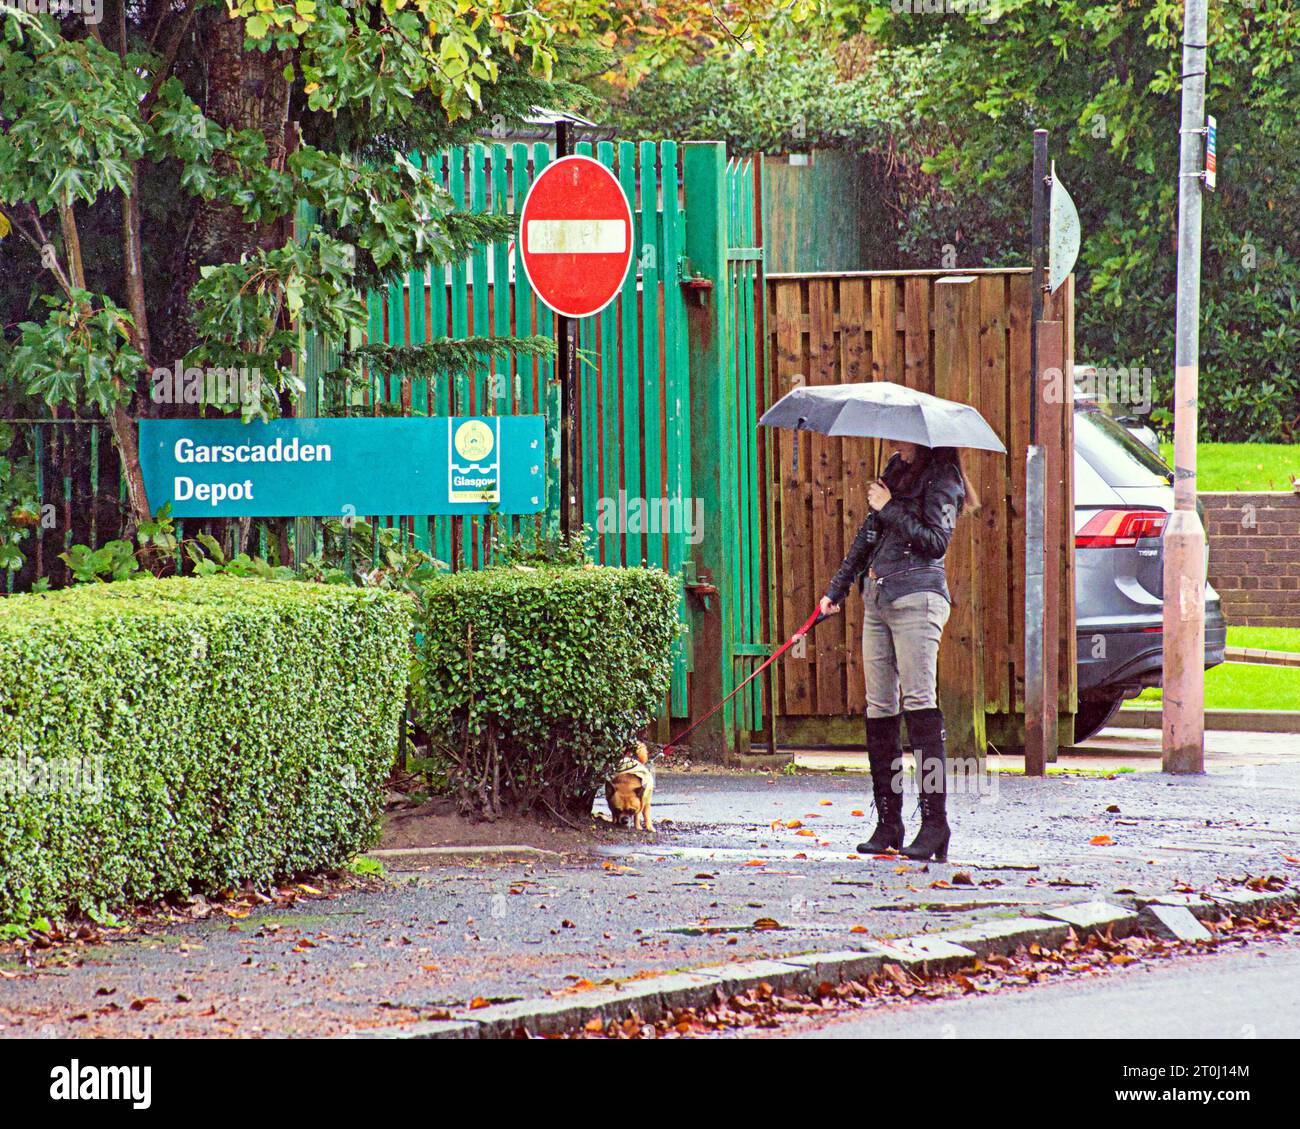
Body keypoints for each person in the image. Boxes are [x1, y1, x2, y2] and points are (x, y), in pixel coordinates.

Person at [818, 441, 977, 862]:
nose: (894, 447)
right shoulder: (894, 469)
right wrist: (837, 589)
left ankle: (935, 825)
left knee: (920, 703)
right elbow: (867, 535)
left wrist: (889, 506)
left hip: (918, 599)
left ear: (924, 441)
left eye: (901, 441)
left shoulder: (944, 478)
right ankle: (889, 823)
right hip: (878, 600)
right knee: (879, 707)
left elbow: (935, 541)